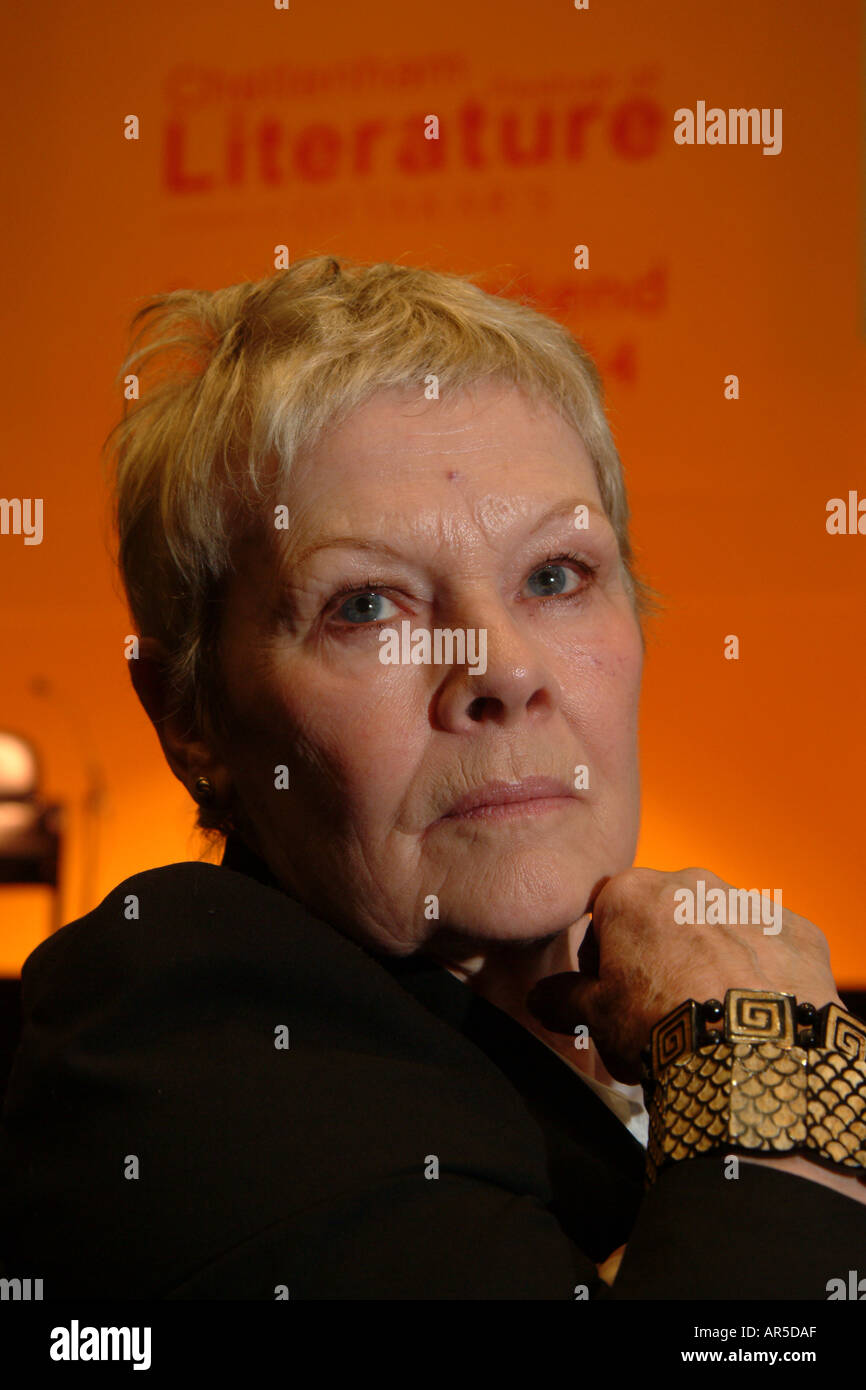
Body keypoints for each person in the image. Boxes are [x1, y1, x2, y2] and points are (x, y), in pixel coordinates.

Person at [1, 255, 864, 1300]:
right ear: (192, 720)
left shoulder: (609, 1046)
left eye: (555, 576)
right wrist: (765, 1083)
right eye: (366, 605)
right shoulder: (178, 1025)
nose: (501, 668)